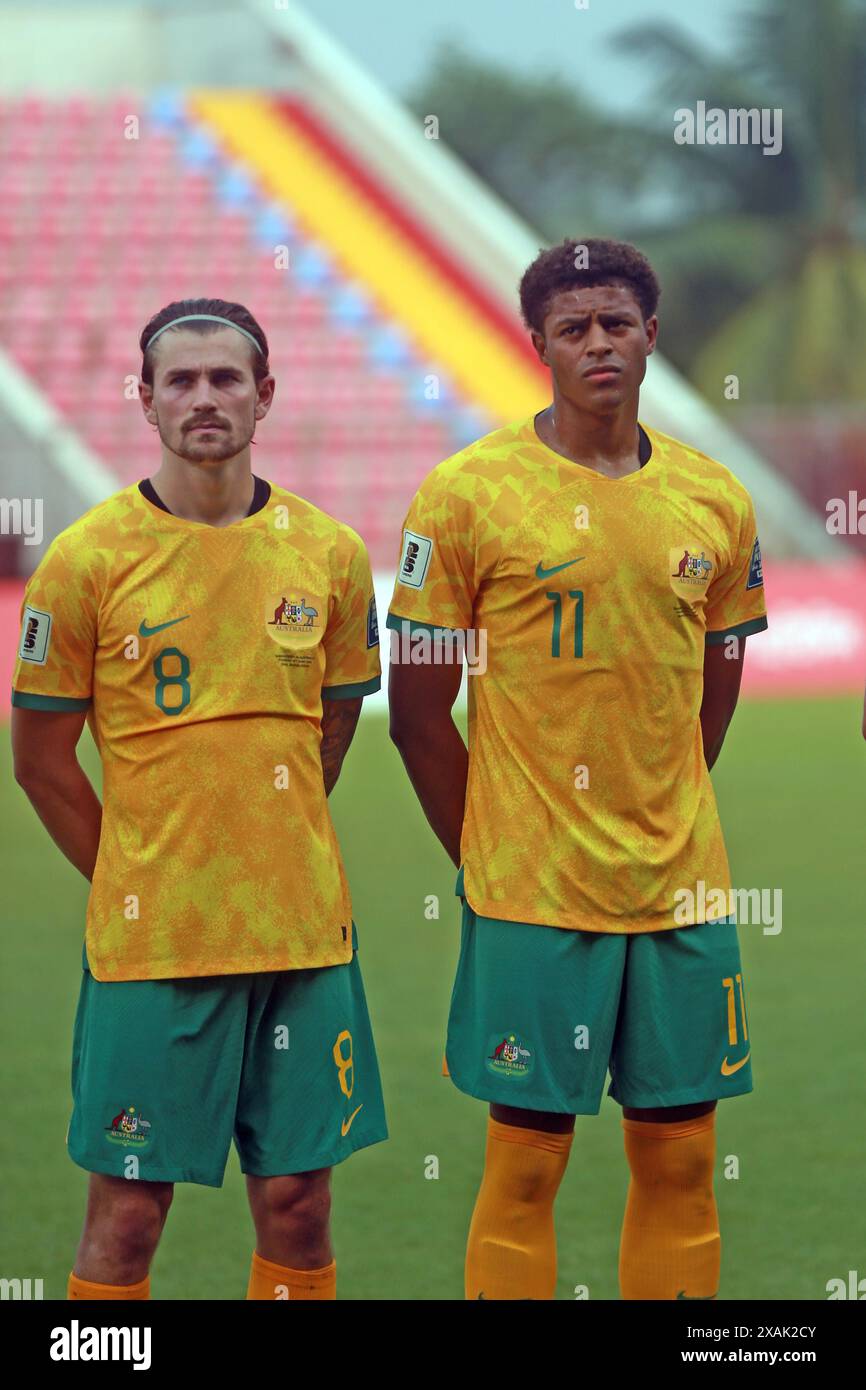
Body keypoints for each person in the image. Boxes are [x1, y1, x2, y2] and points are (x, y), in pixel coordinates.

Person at [387, 239, 768, 1300]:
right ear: (539, 344)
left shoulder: (714, 499)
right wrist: (488, 851)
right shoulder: (465, 494)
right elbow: (415, 712)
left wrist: (666, 805)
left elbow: (716, 681)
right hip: (531, 892)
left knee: (683, 1154)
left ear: (650, 333)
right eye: (572, 327)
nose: (596, 342)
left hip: (679, 885)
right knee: (524, 1161)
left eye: (614, 322)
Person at [11, 298, 387, 1301]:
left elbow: (332, 729)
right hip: (156, 945)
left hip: (303, 936)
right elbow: (42, 759)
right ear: (144, 399)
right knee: (127, 1217)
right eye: (180, 380)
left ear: (265, 396)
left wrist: (268, 843)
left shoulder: (331, 554)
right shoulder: (86, 561)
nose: (204, 397)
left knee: (300, 1204)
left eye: (227, 378)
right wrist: (138, 872)